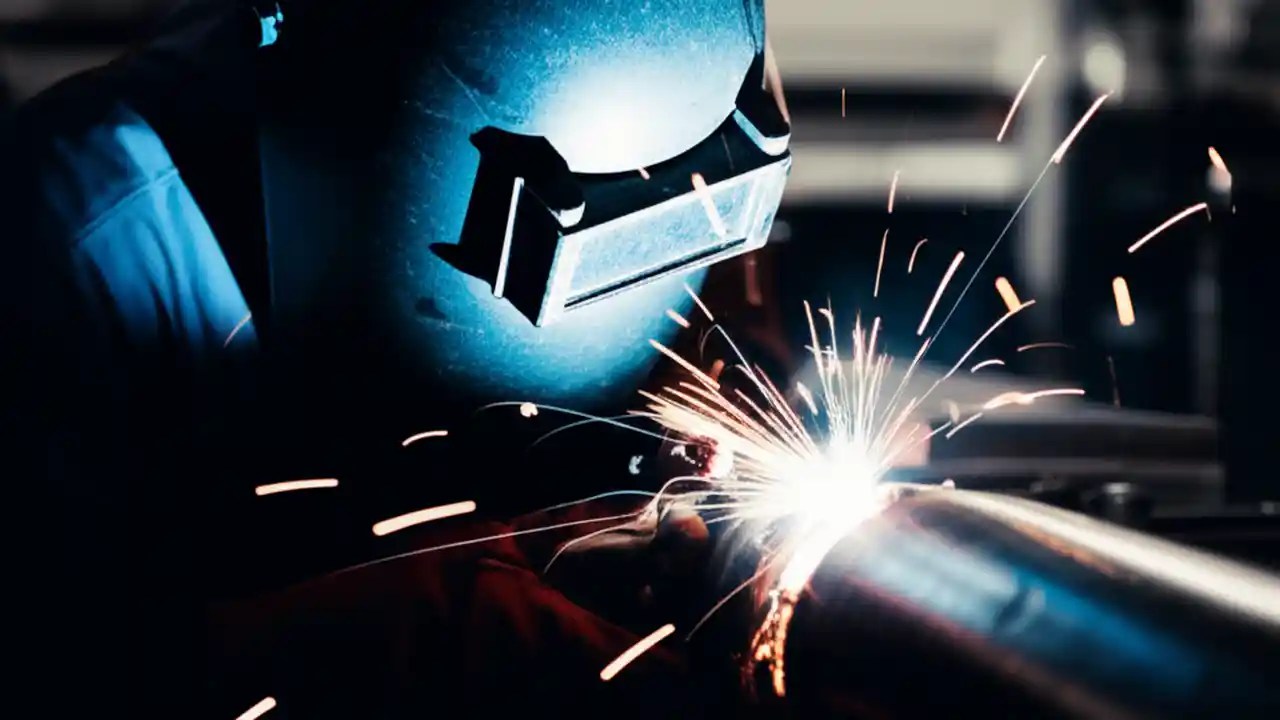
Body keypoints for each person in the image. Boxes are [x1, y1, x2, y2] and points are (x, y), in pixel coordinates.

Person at [0, 0, 790, 716]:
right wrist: (418, 625)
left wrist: (743, 376)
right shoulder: (70, 248)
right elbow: (64, 667)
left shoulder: (683, 61)